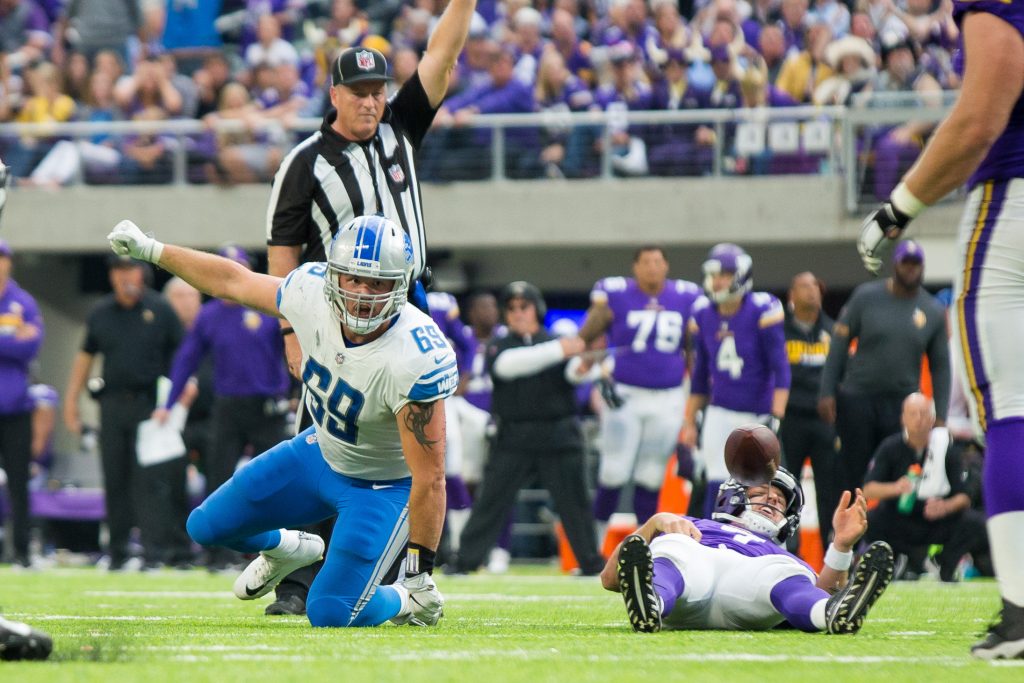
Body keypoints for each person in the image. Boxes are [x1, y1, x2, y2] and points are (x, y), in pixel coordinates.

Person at [107, 214, 455, 628]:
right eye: (354, 279)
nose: (363, 294)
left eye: (378, 283)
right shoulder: (311, 291)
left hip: (381, 485)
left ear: (401, 286)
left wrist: (418, 571)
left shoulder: (415, 355)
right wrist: (151, 249)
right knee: (206, 526)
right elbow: (231, 281)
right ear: (333, 276)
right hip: (320, 452)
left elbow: (430, 477)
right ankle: (289, 547)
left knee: (330, 612)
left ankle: (405, 602)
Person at [264, 0, 478, 615]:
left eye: (377, 90)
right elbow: (281, 253)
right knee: (326, 447)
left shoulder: (401, 129)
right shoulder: (304, 163)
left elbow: (442, 56)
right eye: (357, 91)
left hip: (408, 307)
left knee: (409, 452)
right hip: (340, 316)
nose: (370, 102)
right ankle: (296, 581)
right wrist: (291, 334)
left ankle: (374, 575)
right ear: (334, 94)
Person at [856, 2, 1024, 658]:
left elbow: (980, 118)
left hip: (1013, 201)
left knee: (1010, 407)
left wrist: (898, 208)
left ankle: (1020, 611)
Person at [600, 458, 894, 635]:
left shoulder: (781, 556)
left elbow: (824, 587)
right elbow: (610, 579)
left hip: (750, 585)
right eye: (762, 495)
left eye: (779, 503)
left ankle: (830, 615)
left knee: (788, 574)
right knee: (676, 545)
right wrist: (653, 523)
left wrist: (841, 547)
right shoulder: (693, 524)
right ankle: (652, 602)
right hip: (693, 576)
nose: (772, 502)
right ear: (733, 498)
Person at [454, 281, 605, 576]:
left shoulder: (555, 342)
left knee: (575, 504)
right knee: (490, 502)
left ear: (537, 308)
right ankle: (464, 562)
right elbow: (508, 367)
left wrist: (584, 365)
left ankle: (590, 563)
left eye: (524, 307)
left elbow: (576, 374)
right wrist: (563, 348)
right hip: (514, 435)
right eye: (511, 308)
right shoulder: (502, 346)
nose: (518, 313)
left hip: (559, 434)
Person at [159, 244, 290, 570]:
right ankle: (218, 553)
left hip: (267, 407)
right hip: (228, 406)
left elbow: (290, 352)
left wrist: (293, 392)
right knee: (218, 479)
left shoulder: (267, 306)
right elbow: (186, 358)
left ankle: (283, 548)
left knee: (278, 478)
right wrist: (168, 402)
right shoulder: (209, 314)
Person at [63, 254, 183, 570]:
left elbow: (181, 355)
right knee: (114, 478)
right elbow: (84, 358)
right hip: (112, 404)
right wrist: (71, 402)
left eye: (129, 269)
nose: (123, 277)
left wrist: (174, 400)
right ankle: (117, 552)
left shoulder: (160, 309)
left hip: (150, 405)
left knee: (149, 483)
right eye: (117, 271)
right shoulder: (101, 312)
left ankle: (153, 553)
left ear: (141, 274)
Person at [579, 246, 700, 536]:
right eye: (645, 262)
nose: (652, 267)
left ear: (667, 266)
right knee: (613, 471)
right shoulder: (615, 293)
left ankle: (646, 546)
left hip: (668, 397)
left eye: (658, 261)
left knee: (651, 475)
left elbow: (693, 350)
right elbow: (586, 338)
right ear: (635, 267)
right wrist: (596, 371)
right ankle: (592, 549)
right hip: (626, 395)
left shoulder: (686, 296)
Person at [819, 240, 949, 498]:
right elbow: (838, 347)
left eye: (916, 264)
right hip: (858, 399)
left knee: (899, 472)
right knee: (851, 473)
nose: (911, 269)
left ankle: (892, 535)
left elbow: (941, 367)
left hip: (902, 406)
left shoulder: (932, 310)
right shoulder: (866, 297)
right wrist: (827, 391)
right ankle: (849, 536)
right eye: (906, 263)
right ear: (895, 265)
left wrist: (941, 415)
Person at [683, 243, 790, 517]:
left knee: (757, 488)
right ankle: (710, 543)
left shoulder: (761, 309)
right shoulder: (703, 313)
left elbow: (781, 368)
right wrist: (689, 421)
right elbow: (700, 375)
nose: (717, 281)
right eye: (715, 274)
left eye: (724, 275)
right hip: (720, 410)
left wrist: (775, 414)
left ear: (740, 276)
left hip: (756, 412)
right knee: (716, 481)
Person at [863, 393, 988, 582]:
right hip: (900, 518)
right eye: (913, 414)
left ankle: (944, 563)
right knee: (869, 520)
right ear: (903, 418)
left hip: (937, 518)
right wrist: (896, 488)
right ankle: (895, 563)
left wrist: (945, 507)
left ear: (932, 418)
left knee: (976, 523)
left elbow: (964, 496)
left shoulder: (946, 447)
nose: (919, 420)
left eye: (923, 414)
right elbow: (869, 489)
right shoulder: (890, 447)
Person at [781, 271, 837, 550]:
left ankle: (833, 551)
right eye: (803, 286)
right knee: (788, 487)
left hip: (823, 421)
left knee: (829, 489)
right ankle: (790, 550)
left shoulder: (833, 330)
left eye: (815, 285)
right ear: (791, 295)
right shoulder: (779, 330)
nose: (811, 291)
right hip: (790, 418)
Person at [0, 237, 43, 567]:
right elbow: (19, 343)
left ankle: (23, 550)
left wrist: (15, 343)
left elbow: (32, 346)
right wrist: (12, 337)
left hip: (15, 407)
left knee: (18, 482)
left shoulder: (22, 301)